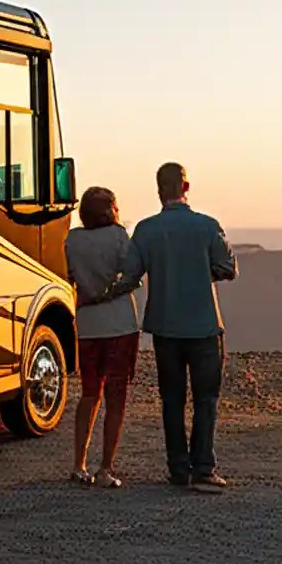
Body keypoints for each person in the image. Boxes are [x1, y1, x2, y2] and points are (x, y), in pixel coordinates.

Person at [81, 162, 238, 493]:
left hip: (165, 328)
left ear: (158, 190)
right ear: (186, 187)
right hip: (205, 326)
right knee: (206, 399)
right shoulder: (208, 226)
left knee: (172, 399)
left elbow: (130, 275)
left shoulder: (146, 230)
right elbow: (227, 269)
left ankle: (178, 468)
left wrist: (95, 294)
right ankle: (204, 468)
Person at [64, 186, 141, 489]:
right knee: (116, 397)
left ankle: (78, 464)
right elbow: (131, 271)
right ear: (110, 210)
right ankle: (106, 467)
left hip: (88, 325)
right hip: (120, 322)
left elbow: (69, 274)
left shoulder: (73, 239)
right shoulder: (119, 236)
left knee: (89, 394)